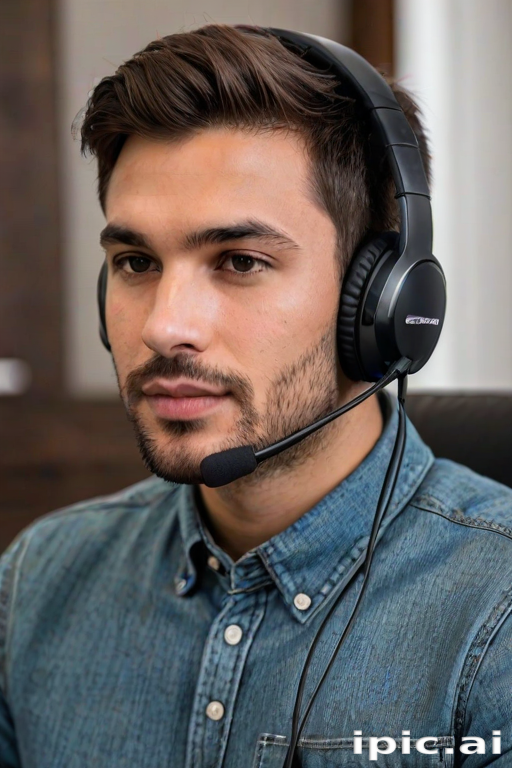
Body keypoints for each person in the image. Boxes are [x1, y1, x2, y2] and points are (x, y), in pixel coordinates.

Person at [0, 23, 511, 768]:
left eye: (239, 260)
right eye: (137, 261)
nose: (166, 326)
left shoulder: (496, 614)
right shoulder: (37, 583)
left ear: (383, 301)